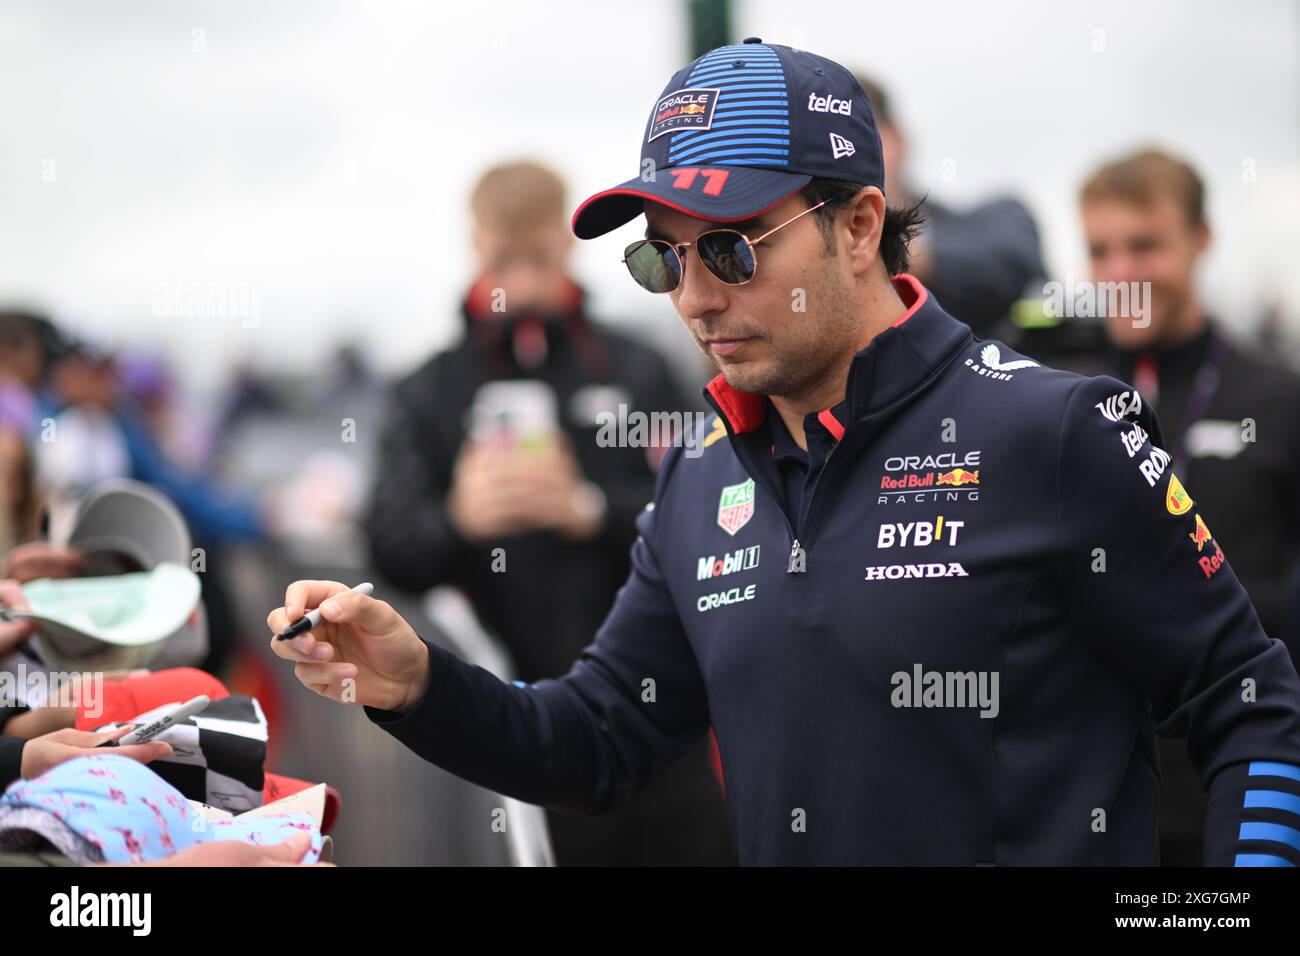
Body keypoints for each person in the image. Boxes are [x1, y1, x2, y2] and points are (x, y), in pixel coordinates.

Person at [270, 40, 1300, 865]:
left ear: (858, 227)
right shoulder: (699, 470)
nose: (694, 294)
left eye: (731, 245)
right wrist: (415, 683)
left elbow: (1249, 703)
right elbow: (595, 736)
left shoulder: (1056, 429)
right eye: (659, 256)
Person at [363, 159, 732, 865]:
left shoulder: (636, 365)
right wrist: (460, 519)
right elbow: (387, 547)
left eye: (537, 256)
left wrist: (588, 508)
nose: (523, 279)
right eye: (505, 259)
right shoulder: (428, 389)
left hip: (655, 717)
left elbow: (715, 510)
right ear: (475, 246)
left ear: (566, 245)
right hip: (500, 724)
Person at [1078, 147, 1300, 864]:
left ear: (1202, 239)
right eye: (1099, 250)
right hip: (1092, 802)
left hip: (1237, 789)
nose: (1120, 274)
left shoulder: (1277, 394)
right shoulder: (1056, 397)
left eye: (1145, 245)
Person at [853, 74, 1045, 336]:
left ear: (899, 139)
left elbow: (1018, 267)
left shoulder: (993, 221)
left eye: (861, 138)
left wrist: (891, 251)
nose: (849, 157)